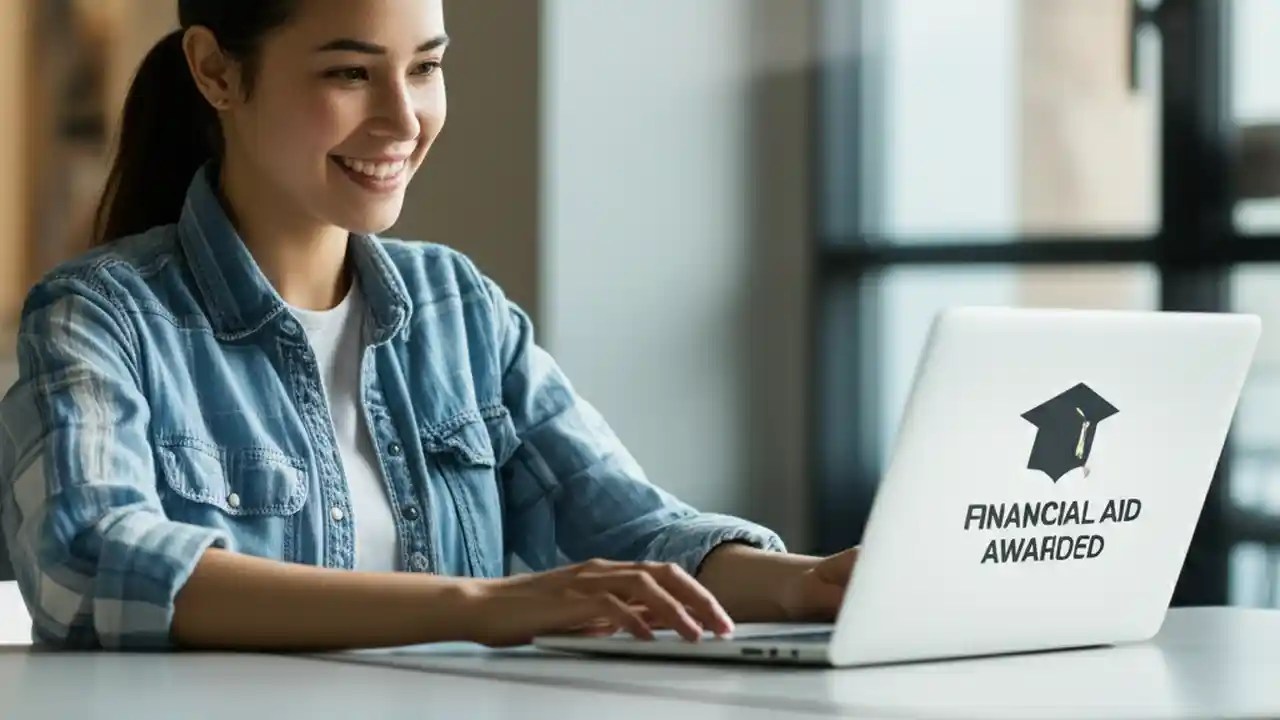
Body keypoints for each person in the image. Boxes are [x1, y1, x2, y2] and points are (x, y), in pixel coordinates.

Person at [0, 0, 857, 651]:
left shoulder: (458, 308)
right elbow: (91, 562)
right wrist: (478, 605)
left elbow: (631, 531)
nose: (404, 119)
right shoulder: (101, 316)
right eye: (350, 73)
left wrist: (811, 584)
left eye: (426, 67)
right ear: (216, 71)